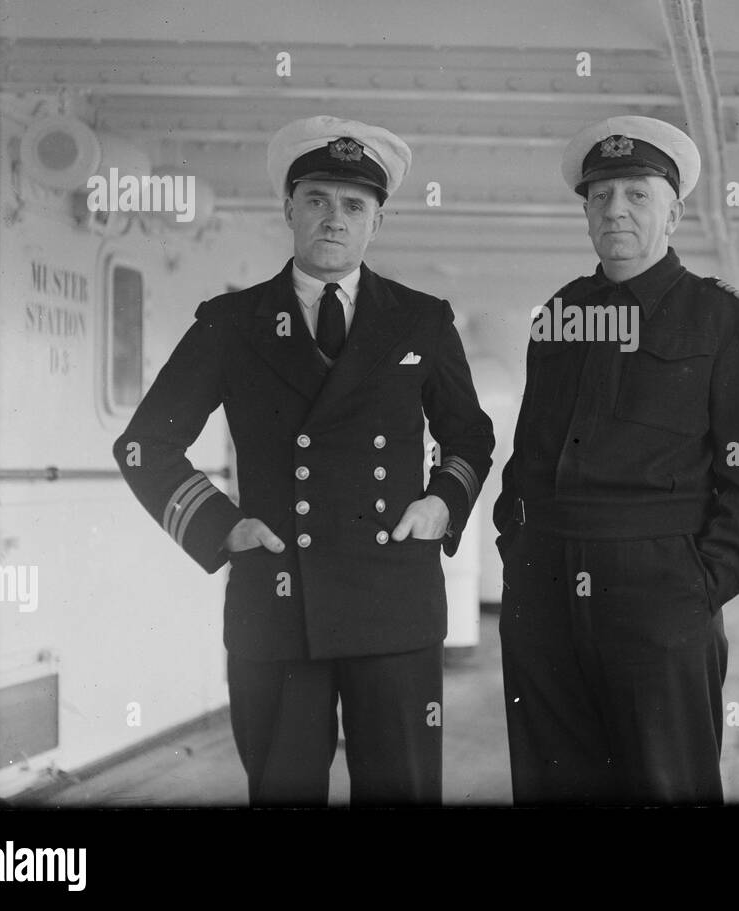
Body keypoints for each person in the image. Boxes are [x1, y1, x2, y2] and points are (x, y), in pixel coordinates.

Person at [114, 115, 495, 805]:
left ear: (377, 221)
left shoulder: (422, 320)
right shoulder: (230, 325)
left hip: (394, 603)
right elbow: (144, 444)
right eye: (317, 199)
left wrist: (442, 501)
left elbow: (471, 435)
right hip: (278, 601)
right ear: (288, 207)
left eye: (354, 205)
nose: (333, 218)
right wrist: (221, 526)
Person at [494, 115, 739, 804]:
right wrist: (520, 554)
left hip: (659, 587)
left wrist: (697, 585)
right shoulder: (561, 313)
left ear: (674, 211)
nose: (615, 210)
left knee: (665, 785)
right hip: (545, 590)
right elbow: (529, 456)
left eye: (635, 194)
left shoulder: (723, 320)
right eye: (600, 196)